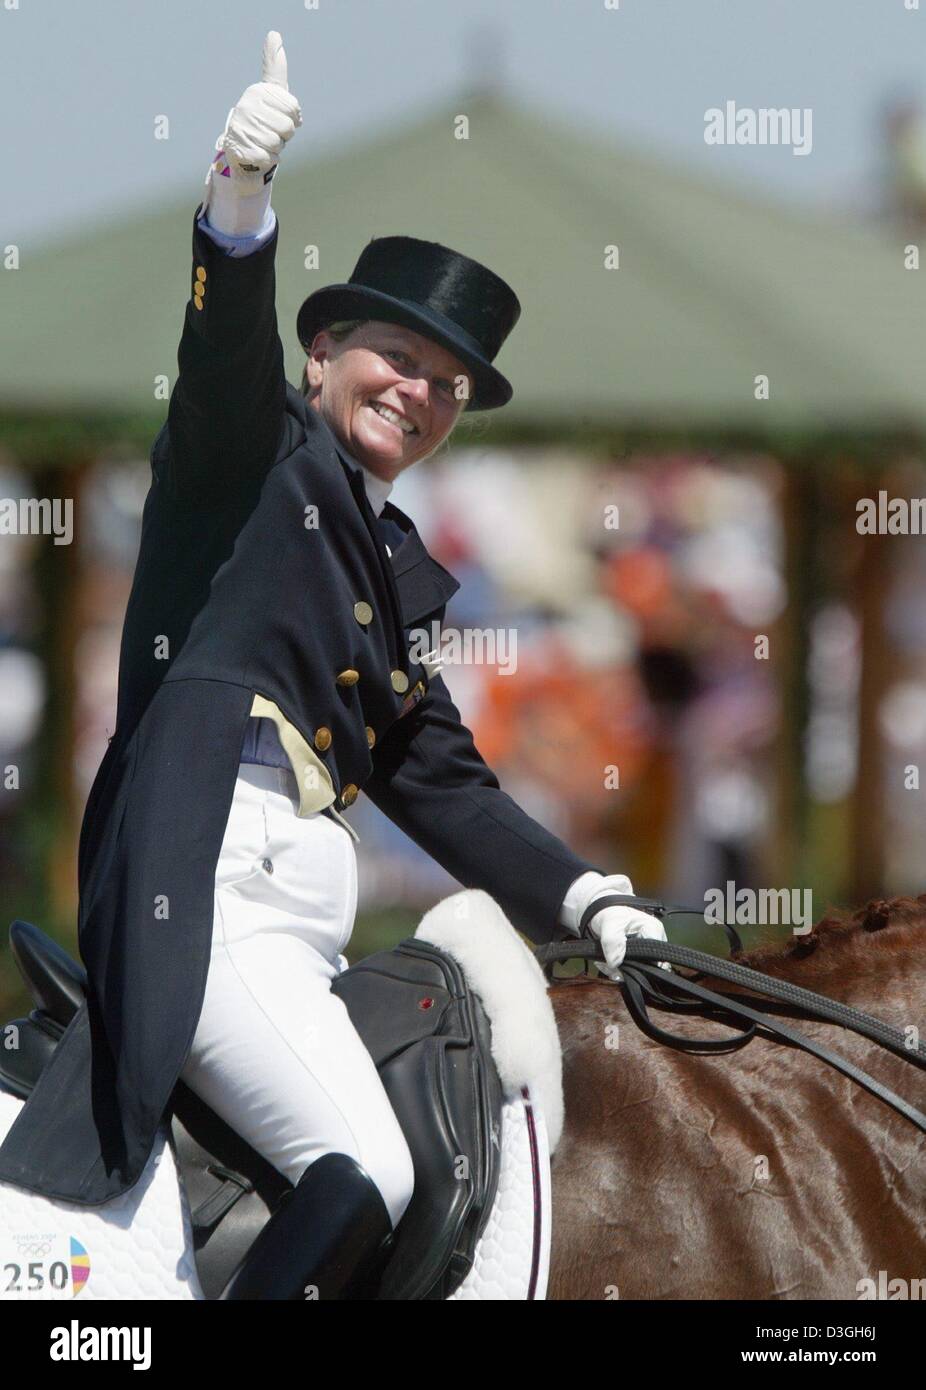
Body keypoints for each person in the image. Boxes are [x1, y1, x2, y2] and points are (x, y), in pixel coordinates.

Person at [0, 31, 667, 1299]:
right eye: (397, 359)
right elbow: (222, 356)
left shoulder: (388, 562)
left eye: (447, 386)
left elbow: (441, 776)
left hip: (301, 914)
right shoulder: (254, 456)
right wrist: (238, 198)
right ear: (322, 358)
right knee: (367, 1167)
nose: (419, 393)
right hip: (203, 881)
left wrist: (589, 898)